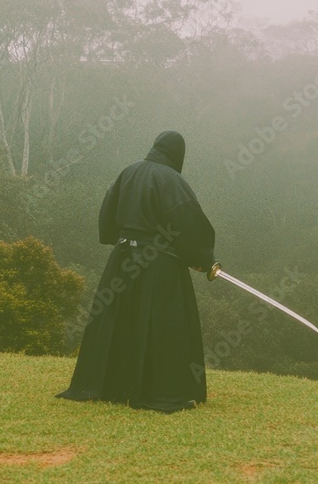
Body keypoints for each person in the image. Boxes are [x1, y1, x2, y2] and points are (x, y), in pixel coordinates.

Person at [56, 131, 215, 413]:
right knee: (162, 325)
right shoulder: (171, 180)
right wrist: (201, 257)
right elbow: (188, 220)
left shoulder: (128, 172)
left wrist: (122, 236)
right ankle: (160, 393)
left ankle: (110, 387)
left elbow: (107, 216)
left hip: (122, 260)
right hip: (158, 264)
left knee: (119, 321)